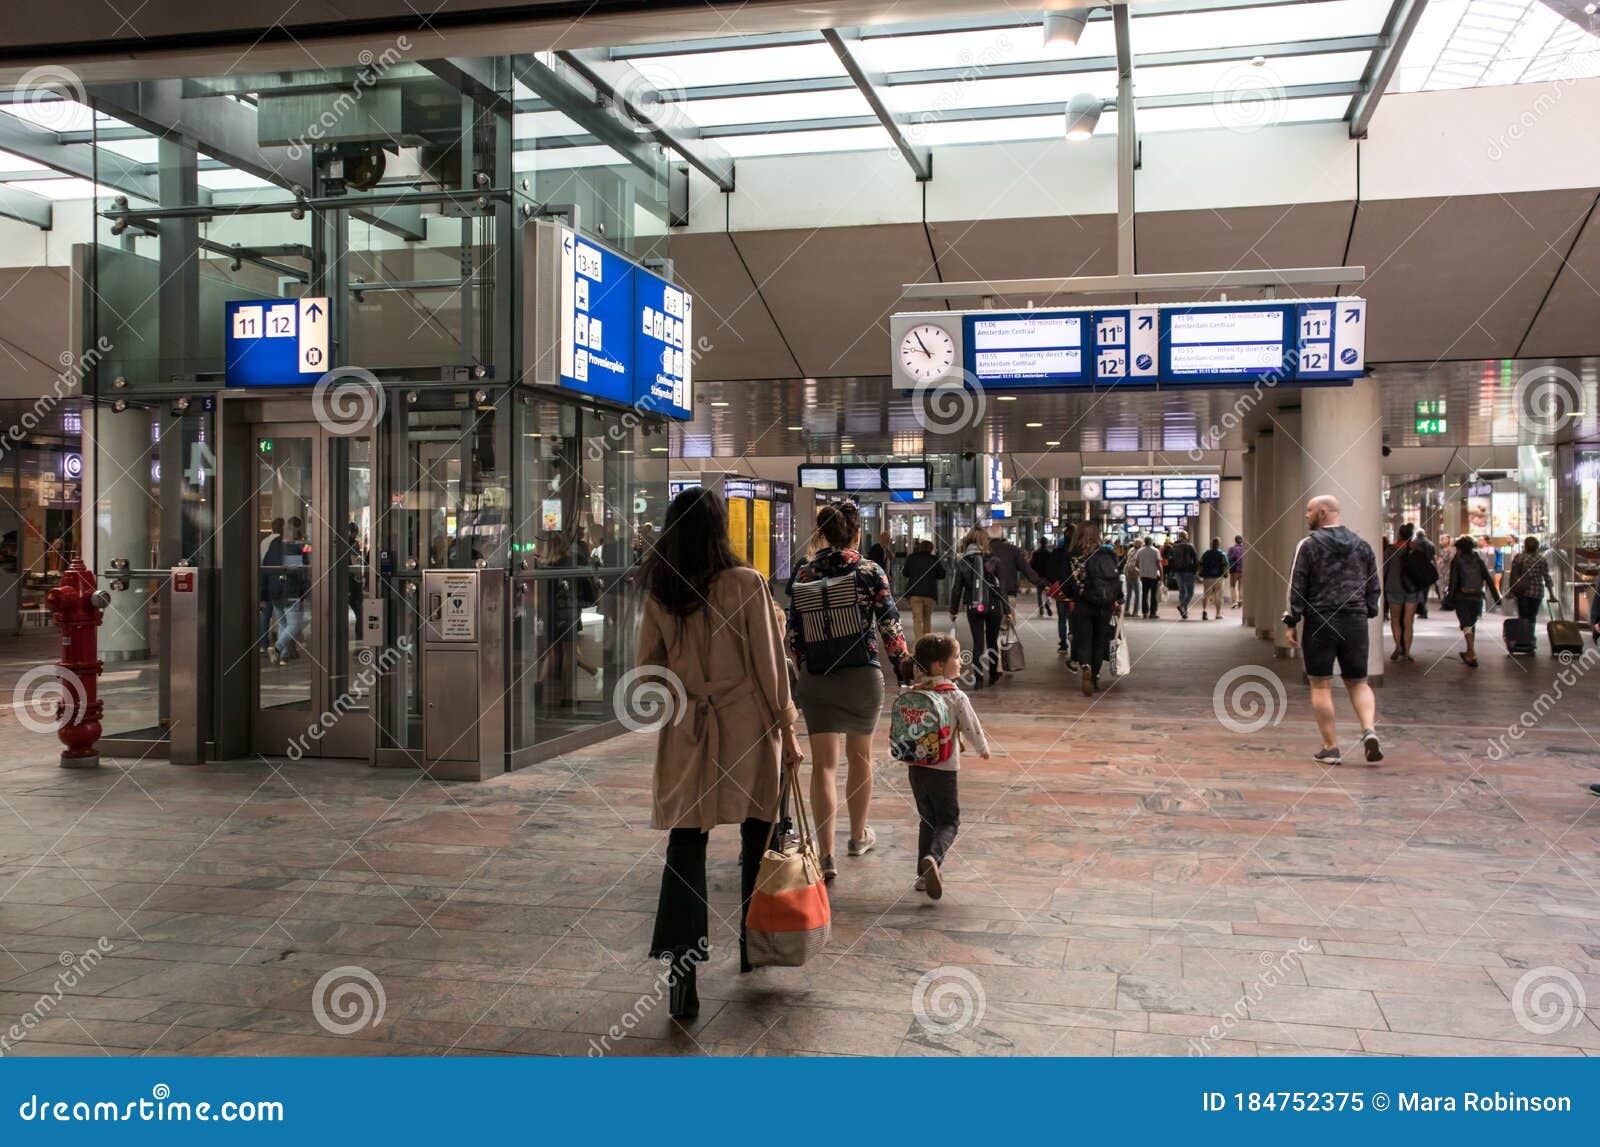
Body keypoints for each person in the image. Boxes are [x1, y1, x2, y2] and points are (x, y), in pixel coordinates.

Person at [637, 488, 803, 1018]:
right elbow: (770, 664)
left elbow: (648, 671)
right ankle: (753, 946)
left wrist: (681, 702)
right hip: (749, 725)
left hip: (689, 728)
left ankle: (681, 974)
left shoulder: (661, 589)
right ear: (719, 529)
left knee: (686, 846)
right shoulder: (746, 583)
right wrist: (787, 726)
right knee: (759, 833)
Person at [789, 502, 907, 882]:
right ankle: (857, 837)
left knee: (823, 765)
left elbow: (794, 633)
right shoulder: (869, 570)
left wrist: (804, 669)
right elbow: (889, 626)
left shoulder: (804, 572)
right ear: (857, 533)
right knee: (860, 758)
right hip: (861, 676)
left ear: (822, 533)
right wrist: (905, 669)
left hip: (817, 677)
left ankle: (825, 855)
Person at [1283, 495, 1382, 766]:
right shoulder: (1362, 546)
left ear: (1323, 513)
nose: (1306, 515)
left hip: (1320, 622)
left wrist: (1292, 620)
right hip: (1355, 622)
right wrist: (1367, 610)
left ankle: (1331, 747)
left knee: (1320, 684)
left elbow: (1297, 585)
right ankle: (1369, 730)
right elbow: (1374, 586)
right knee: (1359, 682)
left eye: (1309, 510)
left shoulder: (1309, 546)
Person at [899, 633, 989, 900]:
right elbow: (971, 727)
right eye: (955, 657)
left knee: (927, 819)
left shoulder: (914, 691)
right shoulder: (955, 696)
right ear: (939, 666)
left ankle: (922, 877)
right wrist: (983, 749)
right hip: (944, 769)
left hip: (916, 767)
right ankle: (933, 858)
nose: (960, 662)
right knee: (949, 821)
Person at [1060, 522, 1124, 694]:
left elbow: (1065, 583)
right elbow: (1115, 578)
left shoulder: (1072, 555)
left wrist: (1069, 596)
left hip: (1081, 604)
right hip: (1105, 604)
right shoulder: (1108, 552)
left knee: (1083, 639)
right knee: (1099, 640)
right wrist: (1118, 599)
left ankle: (1085, 667)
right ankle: (1095, 677)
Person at [949, 526, 1010, 690]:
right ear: (985, 541)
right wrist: (1008, 610)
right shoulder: (994, 560)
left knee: (978, 643)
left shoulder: (963, 561)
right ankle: (993, 675)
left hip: (973, 606)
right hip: (993, 606)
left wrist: (953, 609)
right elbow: (1001, 588)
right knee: (992, 641)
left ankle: (978, 678)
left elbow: (956, 588)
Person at [1445, 535, 1500, 668]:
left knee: (1466, 624)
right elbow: (1487, 578)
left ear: (1460, 549)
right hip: (1476, 596)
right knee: (1470, 625)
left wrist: (1449, 598)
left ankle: (1472, 652)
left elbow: (1453, 581)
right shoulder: (1478, 560)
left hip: (1462, 596)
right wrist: (1496, 596)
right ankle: (1470, 652)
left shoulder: (1456, 561)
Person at [1387, 522, 1433, 662]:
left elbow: (1384, 569)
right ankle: (1406, 652)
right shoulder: (1416, 549)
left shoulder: (1391, 550)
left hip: (1394, 588)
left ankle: (1397, 647)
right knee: (1408, 621)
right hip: (1412, 588)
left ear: (1399, 534)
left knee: (1395, 619)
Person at [1505, 536, 1555, 650]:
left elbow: (1513, 576)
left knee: (1523, 616)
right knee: (1532, 617)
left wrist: (1511, 591)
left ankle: (1524, 640)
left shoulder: (1519, 558)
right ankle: (1531, 639)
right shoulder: (1541, 559)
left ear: (1525, 546)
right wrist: (1551, 594)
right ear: (1537, 547)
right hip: (1537, 592)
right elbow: (1547, 578)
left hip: (1523, 592)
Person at [273, 517, 310, 665]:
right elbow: (302, 567)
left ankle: (283, 656)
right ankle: (278, 647)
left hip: (276, 591)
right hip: (291, 591)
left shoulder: (276, 545)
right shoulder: (298, 546)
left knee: (283, 624)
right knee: (294, 624)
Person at [985, 524, 1044, 607]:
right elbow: (1026, 570)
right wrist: (1042, 583)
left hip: (986, 596)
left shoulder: (983, 550)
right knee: (1007, 618)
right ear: (1002, 536)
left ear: (987, 536)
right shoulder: (1013, 550)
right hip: (1009, 594)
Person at [900, 539, 945, 643]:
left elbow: (905, 573)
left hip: (914, 593)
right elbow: (942, 574)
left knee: (917, 619)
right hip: (930, 594)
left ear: (919, 547)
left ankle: (919, 642)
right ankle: (927, 642)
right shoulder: (934, 559)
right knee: (927, 619)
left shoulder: (912, 558)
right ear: (931, 548)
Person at [258, 517, 285, 655]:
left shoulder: (264, 542)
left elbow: (262, 562)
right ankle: (281, 647)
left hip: (265, 580)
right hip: (278, 582)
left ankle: (262, 644)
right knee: (282, 617)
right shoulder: (282, 543)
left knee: (265, 615)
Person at [1168, 530, 1200, 620]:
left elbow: (1170, 560)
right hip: (1188, 571)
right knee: (1190, 592)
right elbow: (1195, 559)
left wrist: (1173, 571)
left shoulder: (1173, 547)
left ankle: (1184, 612)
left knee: (1182, 591)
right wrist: (1195, 571)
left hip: (1178, 572)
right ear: (1186, 537)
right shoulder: (1190, 546)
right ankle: (1182, 606)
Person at [1199, 537, 1228, 620]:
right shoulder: (1222, 554)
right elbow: (1225, 565)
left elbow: (1200, 563)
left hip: (1207, 577)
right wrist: (1225, 574)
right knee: (1218, 596)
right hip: (1218, 577)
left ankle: (1205, 611)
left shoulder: (1206, 553)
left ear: (1211, 544)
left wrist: (1200, 574)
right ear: (1219, 544)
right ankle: (1218, 614)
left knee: (1206, 595)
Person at [1134, 536, 1162, 619]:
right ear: (1151, 542)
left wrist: (1141, 570)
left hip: (1143, 576)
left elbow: (1136, 564)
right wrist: (1162, 577)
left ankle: (1145, 612)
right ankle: (1153, 613)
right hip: (1153, 576)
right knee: (1154, 595)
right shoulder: (1155, 551)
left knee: (1144, 594)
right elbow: (1159, 565)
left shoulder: (1140, 551)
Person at [1031, 539, 1055, 617]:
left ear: (1040, 543)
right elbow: (1052, 566)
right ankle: (1047, 605)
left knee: (1039, 594)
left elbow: (1032, 565)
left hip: (1039, 577)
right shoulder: (1049, 554)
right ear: (1046, 543)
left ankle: (1041, 609)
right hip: (1047, 577)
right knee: (1048, 593)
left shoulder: (1036, 553)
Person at [1123, 541, 1142, 617]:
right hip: (1134, 573)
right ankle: (1135, 611)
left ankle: (1126, 610)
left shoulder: (1131, 550)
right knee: (1137, 593)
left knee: (1129, 593)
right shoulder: (1139, 551)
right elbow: (1137, 563)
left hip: (1127, 572)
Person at [1227, 535, 1244, 608]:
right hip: (1243, 570)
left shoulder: (1232, 549)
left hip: (1234, 570)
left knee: (1232, 586)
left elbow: (1228, 559)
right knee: (1241, 586)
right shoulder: (1244, 549)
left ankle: (1234, 601)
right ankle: (1240, 600)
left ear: (1235, 540)